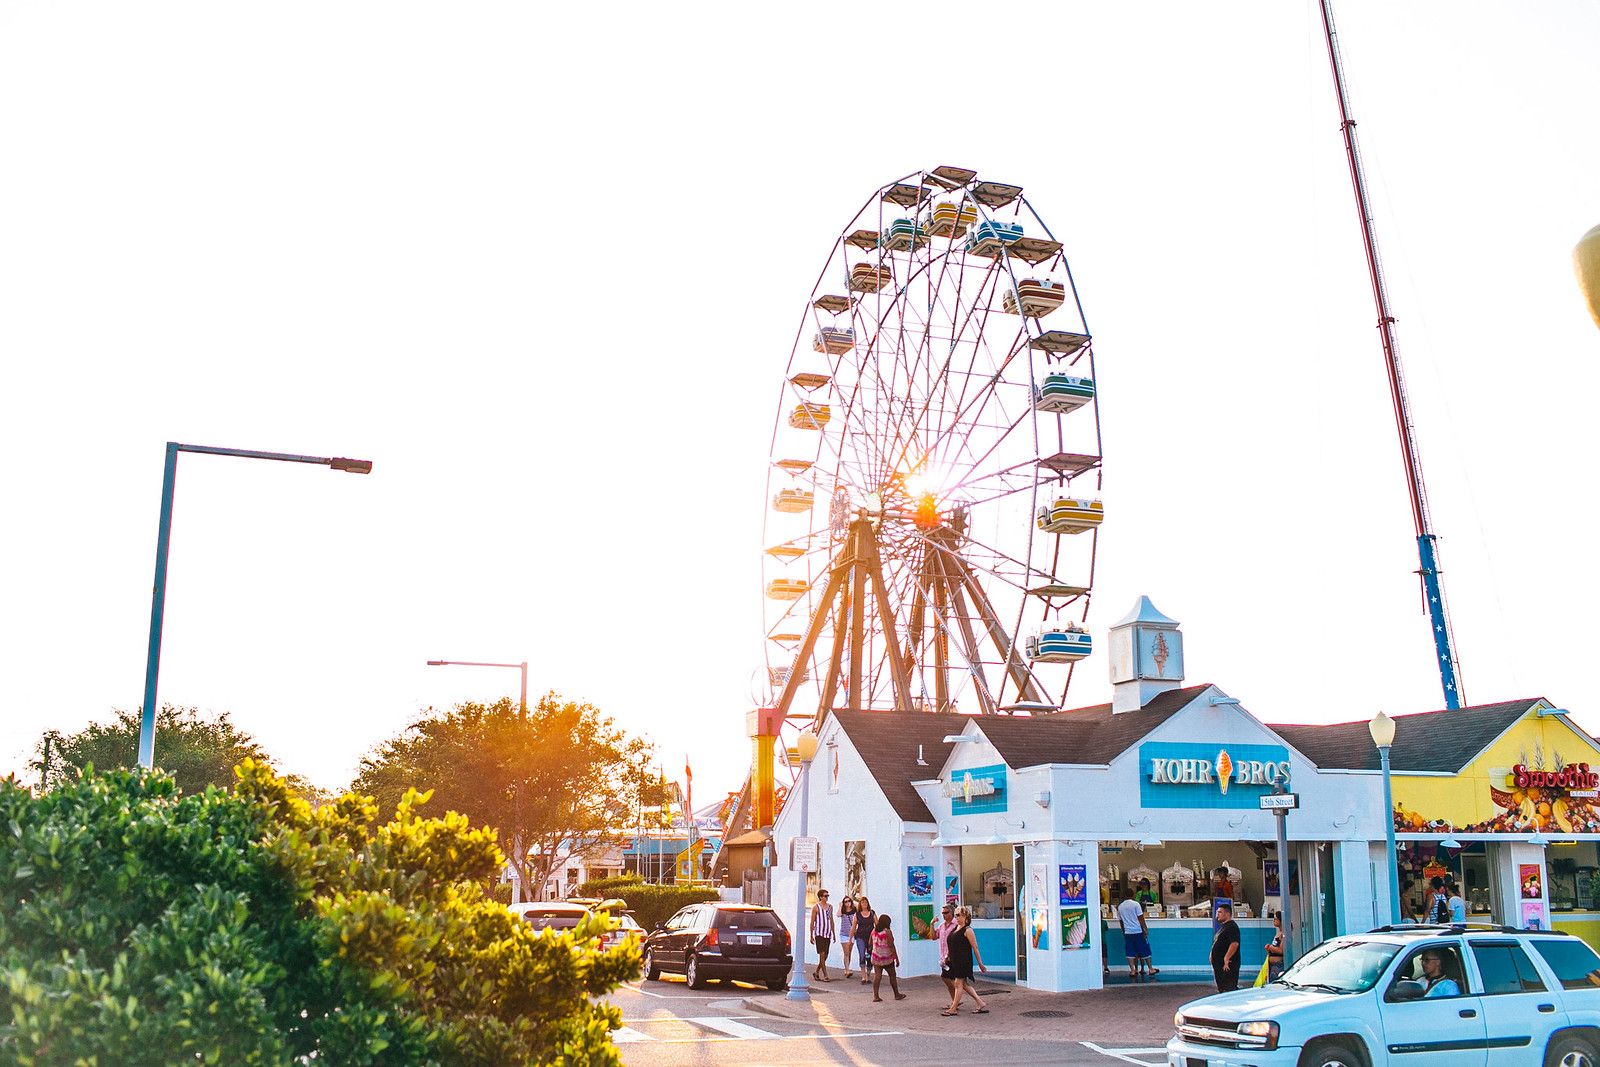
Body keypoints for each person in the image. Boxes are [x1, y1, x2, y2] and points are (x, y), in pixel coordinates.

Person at [941, 906, 989, 1016]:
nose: (956, 917)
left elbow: (975, 947)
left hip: (963, 961)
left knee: (958, 984)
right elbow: (952, 945)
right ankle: (980, 1002)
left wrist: (980, 963)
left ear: (965, 917)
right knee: (964, 985)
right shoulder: (955, 928)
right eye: (956, 915)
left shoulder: (968, 930)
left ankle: (953, 1008)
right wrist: (947, 956)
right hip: (954, 961)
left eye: (959, 915)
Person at [869, 913, 907, 1002]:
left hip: (876, 957)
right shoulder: (887, 932)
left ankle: (876, 996)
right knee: (892, 975)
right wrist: (896, 958)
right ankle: (896, 994)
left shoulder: (874, 930)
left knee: (877, 976)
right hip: (887, 958)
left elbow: (870, 942)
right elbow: (891, 946)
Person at [1116, 892, 1151, 982]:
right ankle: (1150, 968)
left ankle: (1132, 970)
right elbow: (1141, 918)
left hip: (1128, 932)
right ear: (1133, 896)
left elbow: (1121, 921)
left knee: (1130, 951)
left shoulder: (1120, 906)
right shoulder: (1136, 904)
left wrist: (1123, 931)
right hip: (1138, 931)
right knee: (1144, 949)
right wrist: (1145, 929)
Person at [1211, 904, 1241, 992]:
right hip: (1219, 965)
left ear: (1227, 914)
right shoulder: (1223, 927)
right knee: (1222, 987)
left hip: (1227, 966)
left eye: (1220, 912)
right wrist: (1211, 954)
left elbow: (1234, 943)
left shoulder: (1232, 927)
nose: (1217, 914)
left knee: (1228, 989)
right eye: (1217, 912)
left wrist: (1226, 958)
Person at [809, 888, 835, 982]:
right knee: (822, 954)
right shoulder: (816, 907)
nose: (827, 897)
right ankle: (825, 975)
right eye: (825, 896)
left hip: (827, 933)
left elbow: (831, 920)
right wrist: (811, 935)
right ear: (820, 897)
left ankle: (816, 972)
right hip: (819, 933)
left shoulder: (830, 907)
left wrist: (833, 933)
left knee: (825, 955)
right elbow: (812, 922)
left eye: (827, 896)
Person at [935, 902, 958, 999]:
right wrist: (932, 924)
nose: (944, 915)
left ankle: (956, 1000)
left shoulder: (956, 925)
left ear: (951, 913)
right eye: (943, 913)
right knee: (946, 978)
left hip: (952, 957)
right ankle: (954, 1001)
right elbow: (933, 936)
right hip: (944, 957)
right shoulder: (942, 926)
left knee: (951, 979)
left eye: (946, 912)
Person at [854, 896, 876, 985]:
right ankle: (863, 976)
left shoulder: (872, 913)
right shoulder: (857, 914)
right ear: (860, 904)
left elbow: (877, 924)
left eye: (865, 902)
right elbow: (853, 927)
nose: (864, 904)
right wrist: (850, 938)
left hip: (870, 937)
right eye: (862, 903)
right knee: (862, 954)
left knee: (870, 956)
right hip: (860, 937)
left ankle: (868, 975)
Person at [838, 897, 858, 978]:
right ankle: (847, 970)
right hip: (844, 934)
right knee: (846, 953)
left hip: (852, 934)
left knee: (849, 952)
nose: (848, 903)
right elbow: (838, 914)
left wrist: (854, 902)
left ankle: (847, 968)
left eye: (849, 901)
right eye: (845, 902)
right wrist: (840, 906)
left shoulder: (854, 911)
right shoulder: (843, 911)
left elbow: (858, 905)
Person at [1263, 913, 1285, 982]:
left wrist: (1270, 947)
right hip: (1272, 964)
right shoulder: (1278, 933)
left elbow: (1281, 950)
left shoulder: (1283, 934)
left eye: (1276, 919)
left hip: (1278, 964)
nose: (1274, 921)